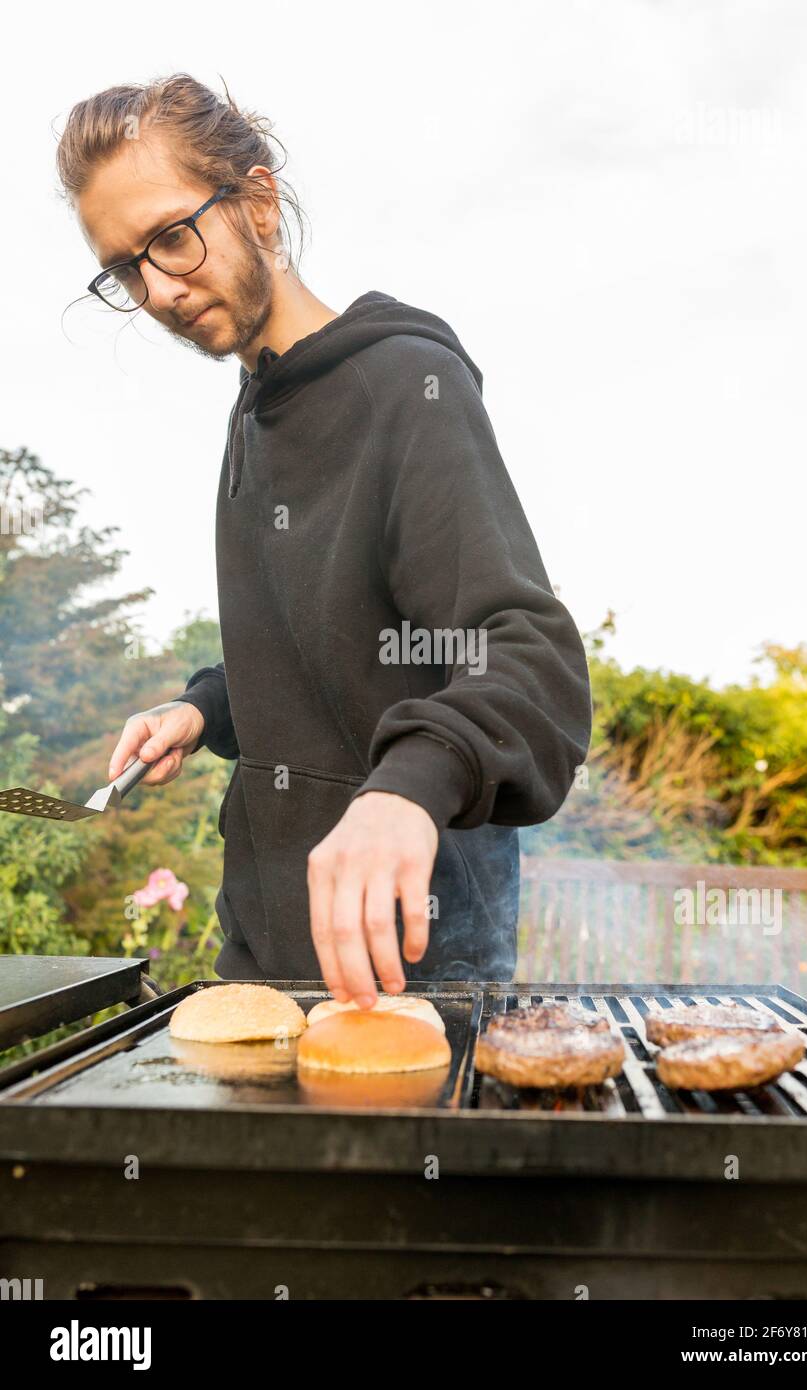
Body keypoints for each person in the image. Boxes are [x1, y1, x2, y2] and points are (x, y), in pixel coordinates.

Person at [57, 74, 592, 1006]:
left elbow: (528, 663)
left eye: (171, 239)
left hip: (412, 973)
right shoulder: (252, 415)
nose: (158, 291)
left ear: (259, 203)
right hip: (263, 952)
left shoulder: (406, 386)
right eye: (125, 269)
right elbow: (330, 649)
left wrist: (404, 788)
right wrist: (207, 708)